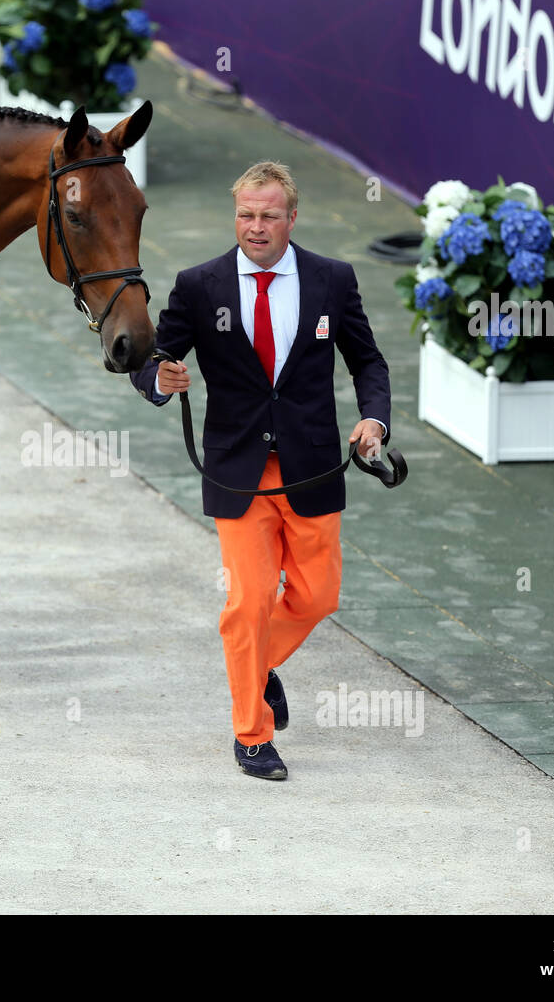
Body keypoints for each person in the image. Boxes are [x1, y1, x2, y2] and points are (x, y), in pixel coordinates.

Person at [130, 160, 391, 780]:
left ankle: (258, 665)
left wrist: (374, 421)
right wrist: (158, 381)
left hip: (312, 468)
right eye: (246, 215)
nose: (255, 226)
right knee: (247, 605)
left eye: (268, 215)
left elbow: (368, 362)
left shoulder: (332, 279)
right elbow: (156, 357)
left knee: (318, 595)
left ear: (291, 218)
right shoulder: (200, 285)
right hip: (237, 472)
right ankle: (253, 735)